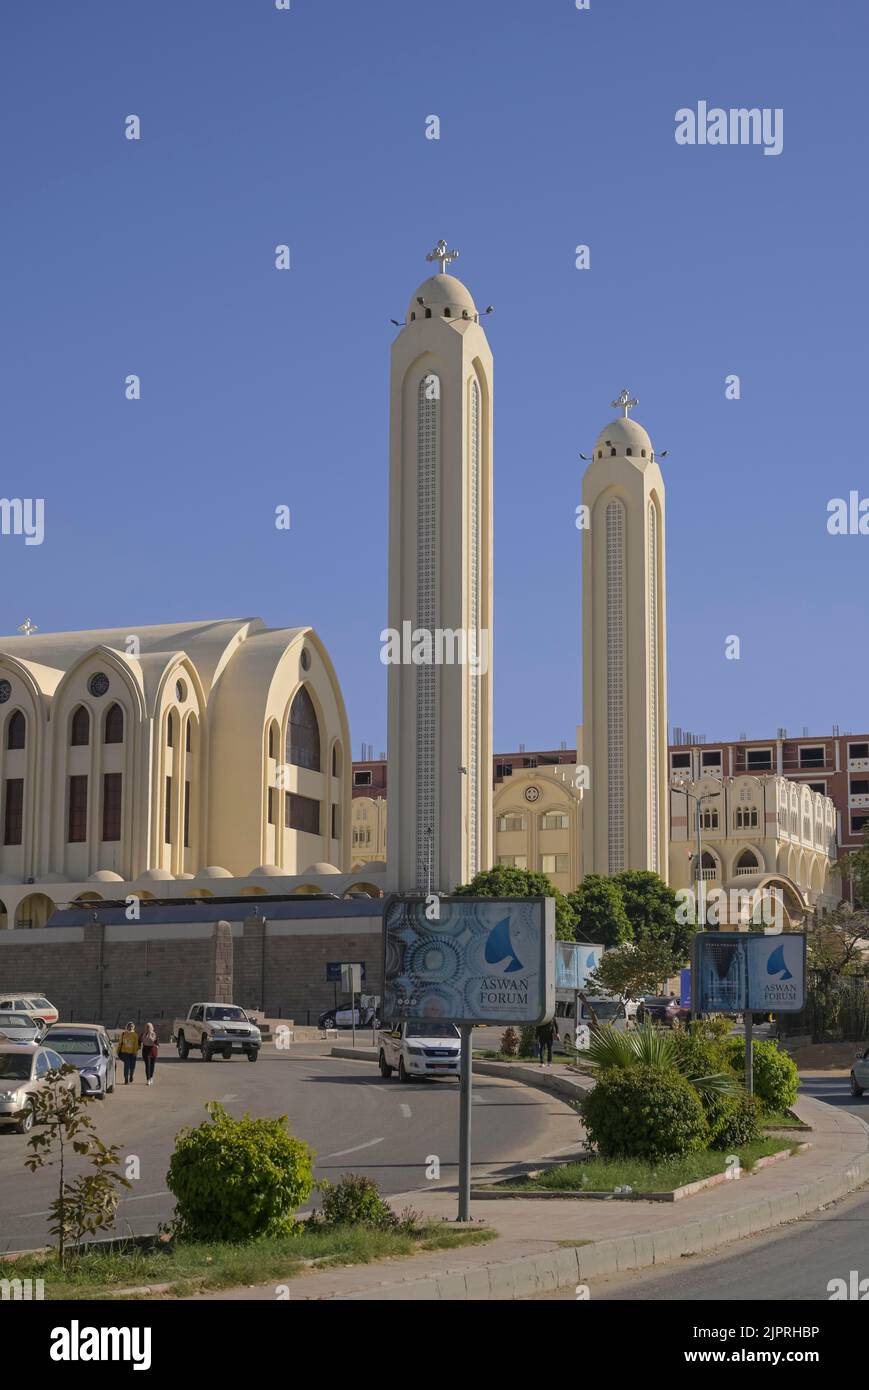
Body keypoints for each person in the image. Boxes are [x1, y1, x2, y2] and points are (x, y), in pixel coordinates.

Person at [140, 1022, 159, 1086]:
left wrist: (156, 1045)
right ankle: (148, 1079)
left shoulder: (154, 1034)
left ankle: (151, 1077)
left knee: (152, 1066)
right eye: (147, 1027)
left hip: (153, 1052)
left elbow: (157, 1042)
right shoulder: (143, 1034)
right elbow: (139, 1041)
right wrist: (137, 1047)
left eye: (149, 1027)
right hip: (146, 1052)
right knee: (147, 1065)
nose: (148, 1028)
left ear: (151, 1027)